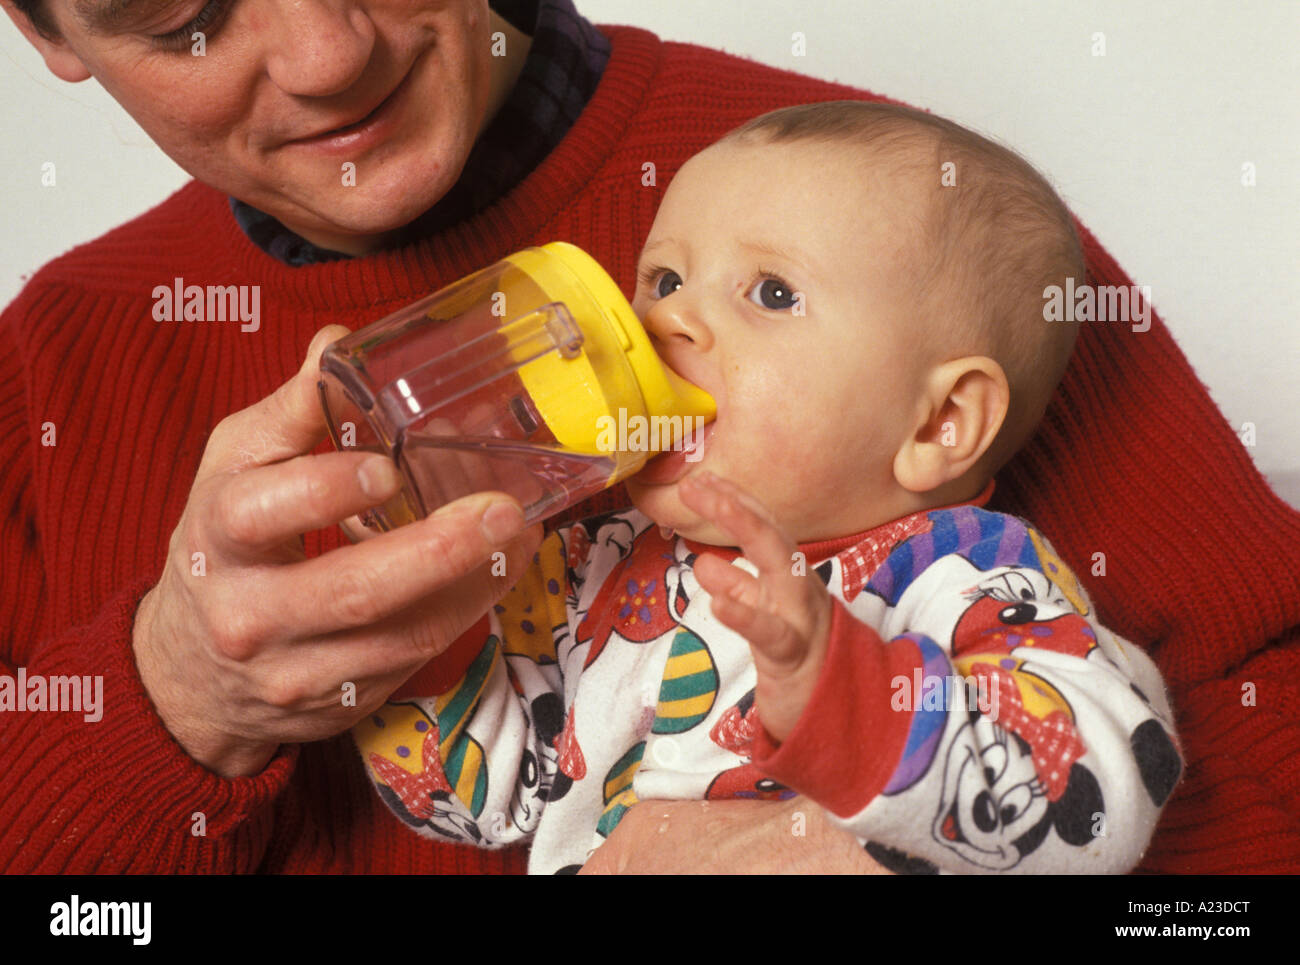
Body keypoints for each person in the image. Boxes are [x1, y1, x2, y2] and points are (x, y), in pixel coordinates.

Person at [0, 0, 1295, 875]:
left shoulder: (913, 233)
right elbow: (491, 780)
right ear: (40, 25)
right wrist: (208, 694)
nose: (331, 52)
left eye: (765, 298)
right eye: (189, 17)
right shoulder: (53, 358)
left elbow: (1178, 761)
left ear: (945, 422)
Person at [354, 101, 1182, 874]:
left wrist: (848, 697)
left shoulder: (962, 574)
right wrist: (429, 623)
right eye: (665, 279)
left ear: (940, 424)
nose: (665, 321)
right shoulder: (592, 565)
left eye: (772, 293)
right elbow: (478, 797)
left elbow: (1102, 785)